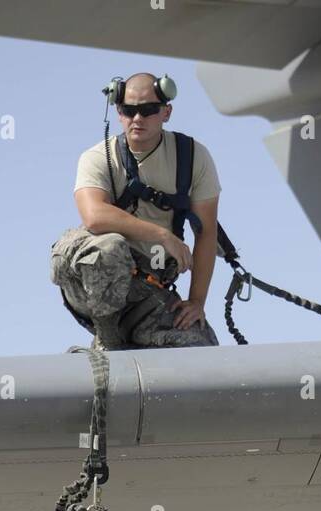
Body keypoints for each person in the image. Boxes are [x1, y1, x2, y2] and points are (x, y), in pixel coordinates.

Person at [51, 71, 222, 349]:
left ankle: (134, 339)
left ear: (166, 112)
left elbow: (206, 231)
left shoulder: (192, 157)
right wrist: (162, 236)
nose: (137, 118)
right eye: (128, 110)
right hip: (92, 282)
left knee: (200, 347)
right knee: (109, 248)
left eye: (148, 110)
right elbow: (94, 217)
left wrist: (196, 302)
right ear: (118, 112)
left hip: (148, 289)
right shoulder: (98, 157)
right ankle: (108, 341)